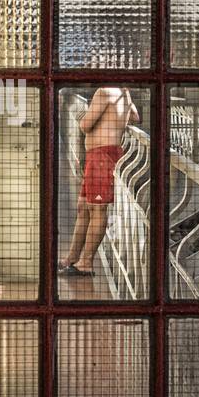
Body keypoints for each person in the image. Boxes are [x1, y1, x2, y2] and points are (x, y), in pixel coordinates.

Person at [60, 86, 139, 277]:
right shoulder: (123, 92)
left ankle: (86, 263)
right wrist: (113, 120)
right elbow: (135, 117)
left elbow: (85, 125)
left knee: (97, 208)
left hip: (103, 156)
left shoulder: (103, 91)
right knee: (83, 206)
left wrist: (89, 113)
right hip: (100, 155)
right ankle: (71, 258)